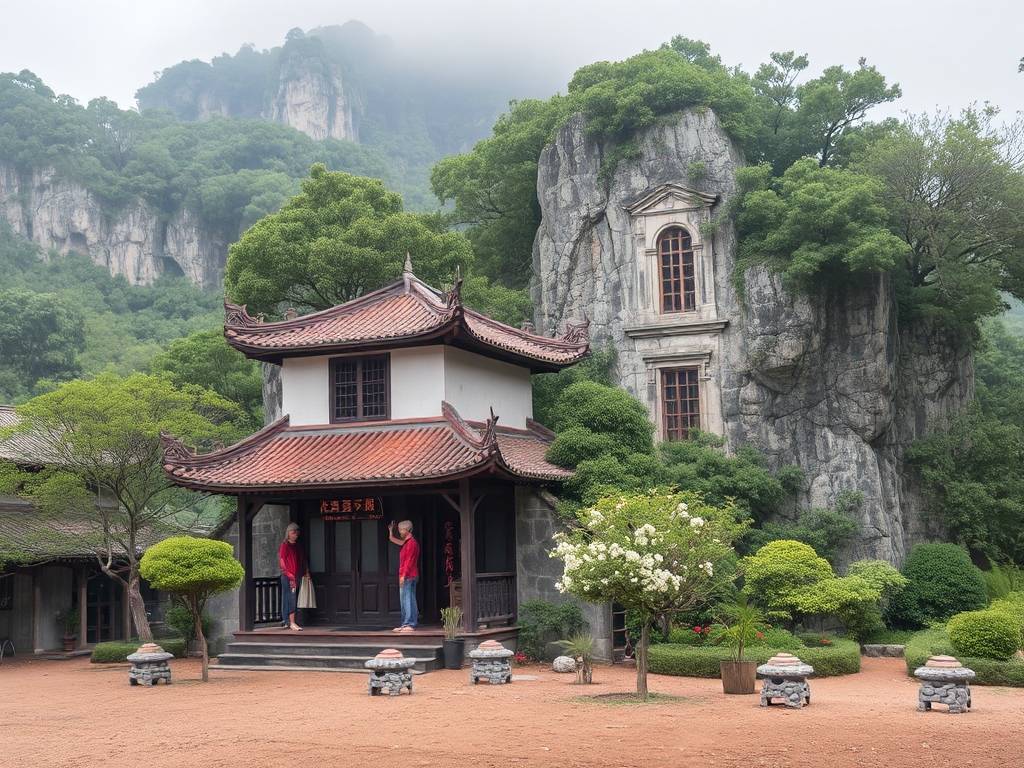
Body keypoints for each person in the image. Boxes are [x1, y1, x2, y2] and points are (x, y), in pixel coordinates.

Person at [388, 520, 420, 632]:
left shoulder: (411, 543)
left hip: (408, 575)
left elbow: (409, 562)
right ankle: (407, 623)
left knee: (407, 599)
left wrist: (403, 576)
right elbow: (394, 540)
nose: (400, 532)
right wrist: (391, 532)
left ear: (407, 530)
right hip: (408, 574)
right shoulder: (406, 542)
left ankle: (409, 623)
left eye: (401, 530)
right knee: (408, 598)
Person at [278, 522, 309, 631]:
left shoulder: (297, 546)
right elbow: (282, 561)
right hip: (287, 576)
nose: (295, 534)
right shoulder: (284, 546)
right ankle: (291, 622)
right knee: (290, 597)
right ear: (288, 533)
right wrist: (288, 574)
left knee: (291, 597)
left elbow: (303, 560)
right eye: (293, 532)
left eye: (296, 532)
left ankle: (287, 621)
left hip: (296, 575)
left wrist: (306, 572)